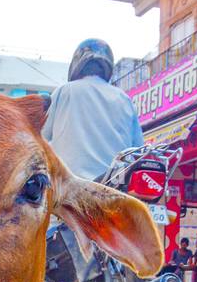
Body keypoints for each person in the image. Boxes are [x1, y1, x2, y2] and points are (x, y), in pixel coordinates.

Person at [42, 38, 143, 181]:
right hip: (114, 189)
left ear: (78, 63)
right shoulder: (124, 99)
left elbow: (40, 137)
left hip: (69, 186)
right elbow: (138, 149)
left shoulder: (65, 91)